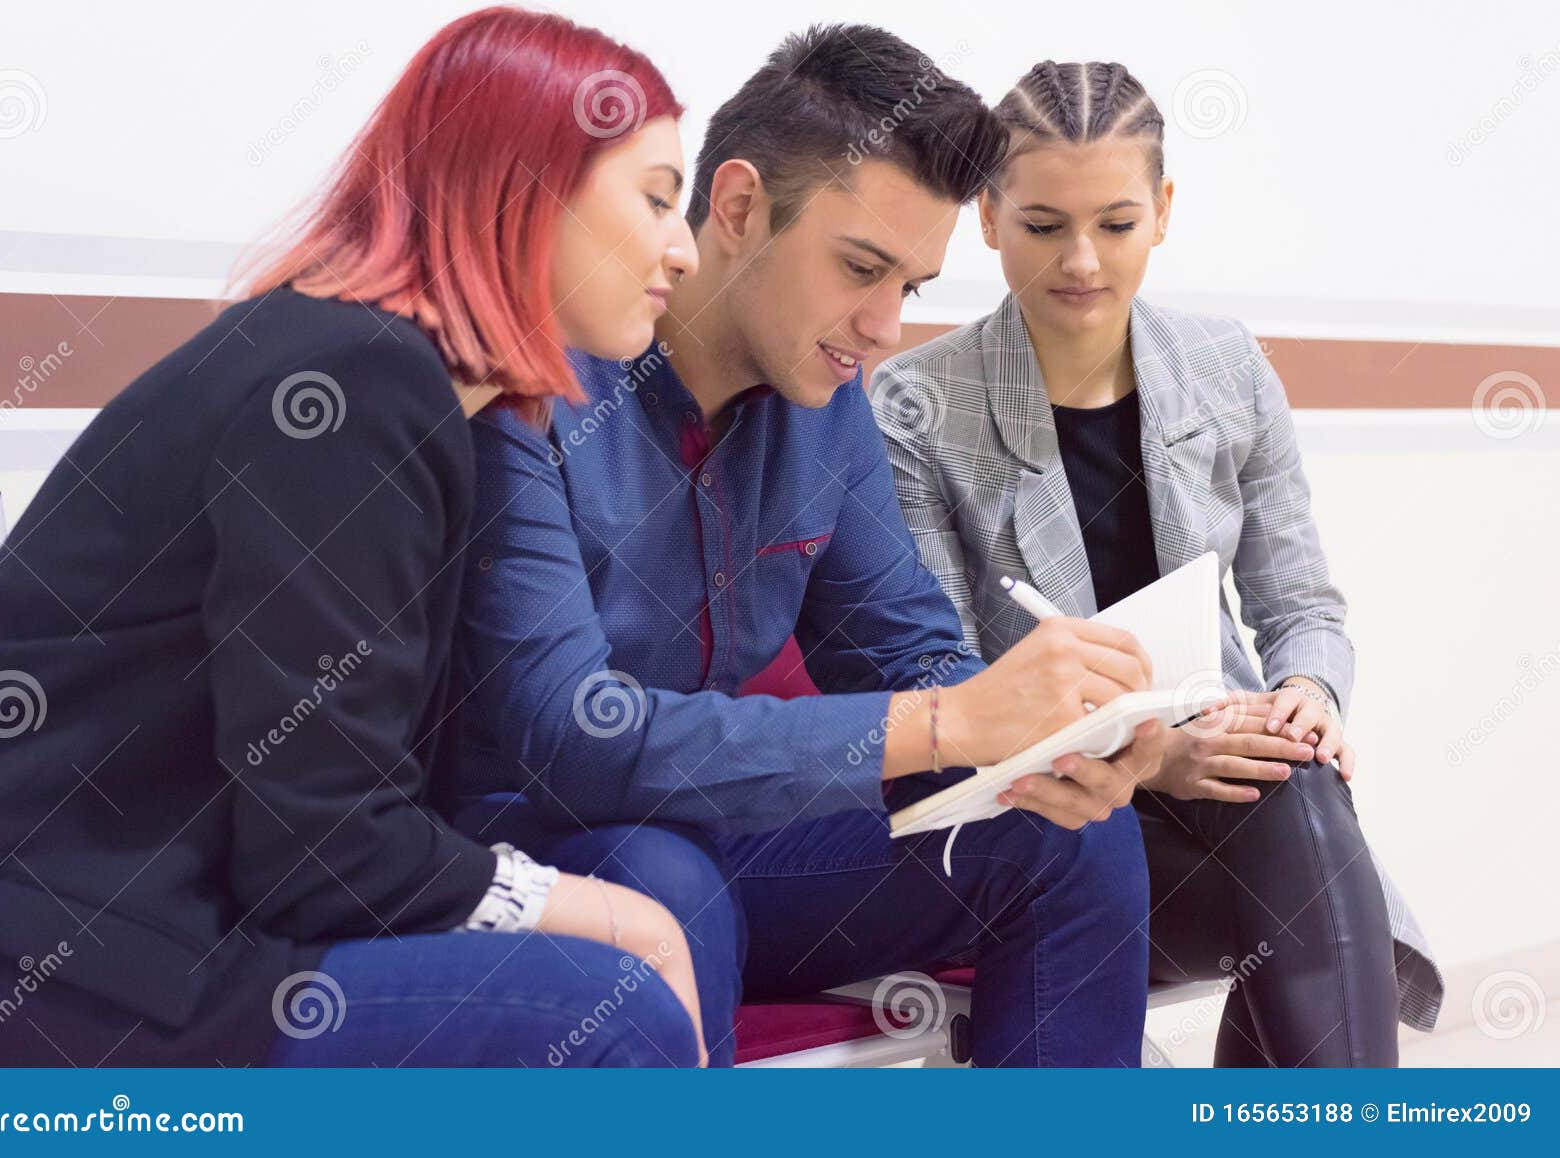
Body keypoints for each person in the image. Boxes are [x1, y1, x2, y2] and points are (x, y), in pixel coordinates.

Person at [0, 7, 708, 1067]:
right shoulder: (353, 388)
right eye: (656, 198)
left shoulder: (402, 383)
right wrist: (608, 918)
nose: (681, 251)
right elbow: (321, 847)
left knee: (666, 892)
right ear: (523, 185)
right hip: (73, 961)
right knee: (607, 997)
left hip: (178, 906)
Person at [451, 25, 1167, 1069]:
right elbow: (574, 737)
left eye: (910, 287)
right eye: (860, 268)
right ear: (737, 209)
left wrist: (1035, 742)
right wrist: (944, 720)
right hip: (536, 843)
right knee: (667, 881)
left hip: (735, 838)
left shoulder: (827, 409)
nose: (882, 325)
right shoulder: (529, 390)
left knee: (1076, 835)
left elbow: (902, 644)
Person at [869, 60, 1443, 1065]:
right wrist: (1149, 756)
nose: (1082, 260)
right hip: (1041, 818)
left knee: (1295, 777)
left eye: (1117, 223)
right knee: (1310, 886)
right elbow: (943, 685)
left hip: (1220, 797)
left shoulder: (1228, 368)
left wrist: (1307, 693)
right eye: (1043, 225)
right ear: (989, 218)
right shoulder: (916, 404)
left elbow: (1299, 602)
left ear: (1163, 212)